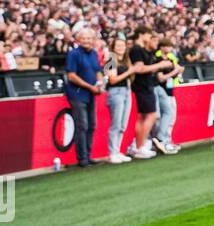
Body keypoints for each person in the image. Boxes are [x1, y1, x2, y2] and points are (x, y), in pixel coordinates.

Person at [128, 27, 171, 160]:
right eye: (148, 35)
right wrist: (159, 65)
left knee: (143, 116)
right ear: (142, 34)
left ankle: (139, 145)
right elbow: (139, 69)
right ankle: (140, 146)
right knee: (152, 115)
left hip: (146, 85)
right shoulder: (136, 49)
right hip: (142, 85)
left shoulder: (143, 50)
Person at [63, 26, 104, 168]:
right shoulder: (74, 54)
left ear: (93, 40)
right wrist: (90, 86)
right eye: (84, 38)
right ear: (79, 40)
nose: (87, 41)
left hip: (91, 94)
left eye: (89, 38)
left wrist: (99, 84)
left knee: (91, 125)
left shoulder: (93, 53)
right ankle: (82, 158)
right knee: (82, 125)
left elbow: (98, 70)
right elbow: (71, 76)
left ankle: (88, 155)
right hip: (77, 93)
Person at [103, 35, 135, 164]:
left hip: (126, 91)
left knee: (122, 125)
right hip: (115, 92)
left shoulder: (126, 60)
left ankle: (117, 151)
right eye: (118, 45)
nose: (121, 48)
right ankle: (112, 153)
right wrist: (129, 72)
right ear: (113, 47)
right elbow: (112, 79)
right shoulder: (110, 58)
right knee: (116, 124)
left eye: (123, 45)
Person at [150, 35, 183, 155]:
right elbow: (161, 78)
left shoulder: (170, 58)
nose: (170, 49)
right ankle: (161, 140)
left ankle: (166, 140)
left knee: (170, 117)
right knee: (163, 116)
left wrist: (177, 71)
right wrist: (175, 71)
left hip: (169, 90)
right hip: (161, 89)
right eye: (168, 46)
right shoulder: (158, 58)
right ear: (162, 47)